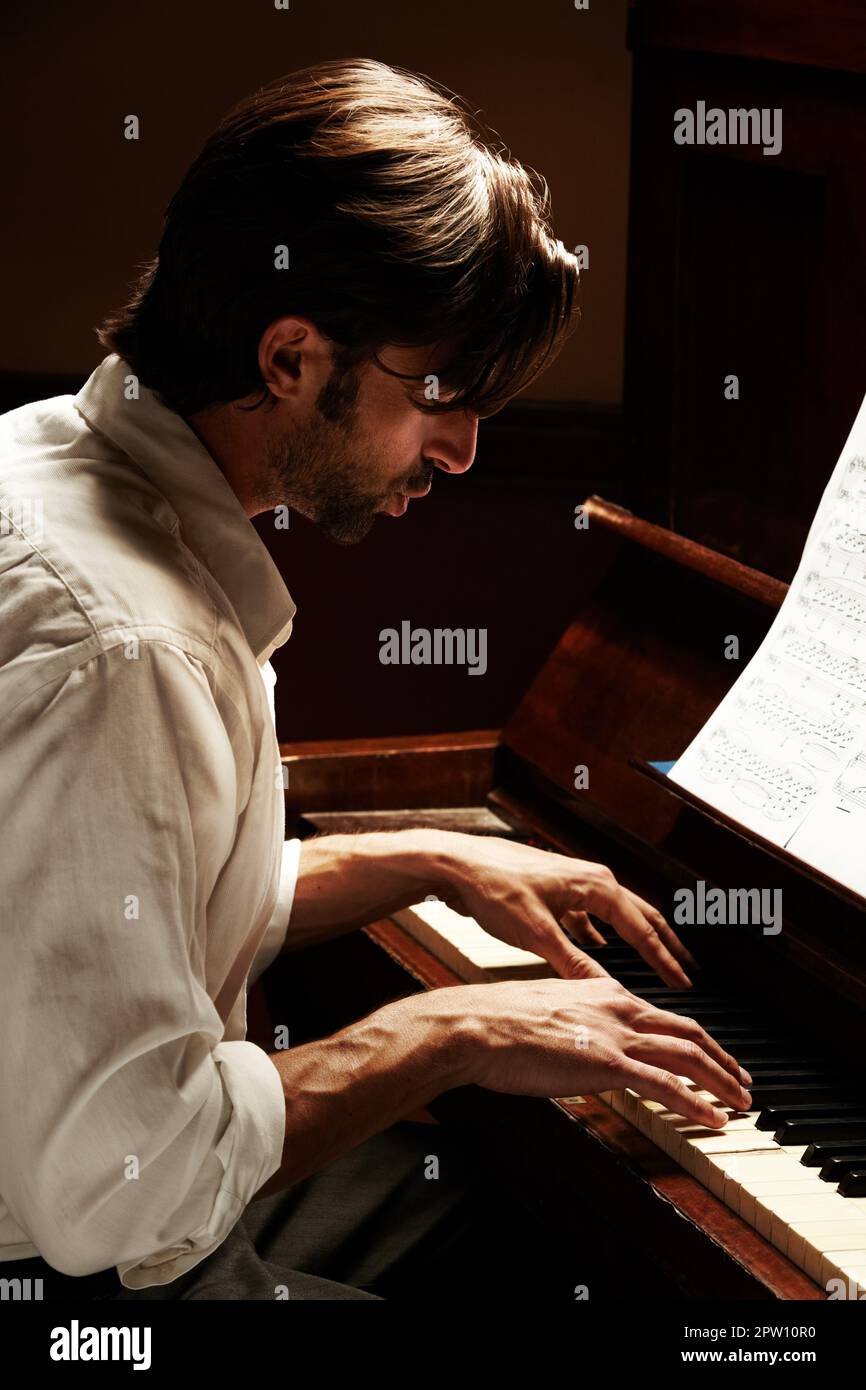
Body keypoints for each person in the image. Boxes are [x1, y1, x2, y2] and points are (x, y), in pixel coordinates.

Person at [0, 58, 750, 1300]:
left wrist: (429, 856)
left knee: (553, 1226)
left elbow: (124, 905)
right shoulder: (123, 649)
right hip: (86, 1272)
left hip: (101, 1186)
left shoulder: (49, 459)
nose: (460, 450)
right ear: (290, 357)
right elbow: (122, 1187)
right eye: (440, 390)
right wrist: (450, 1027)